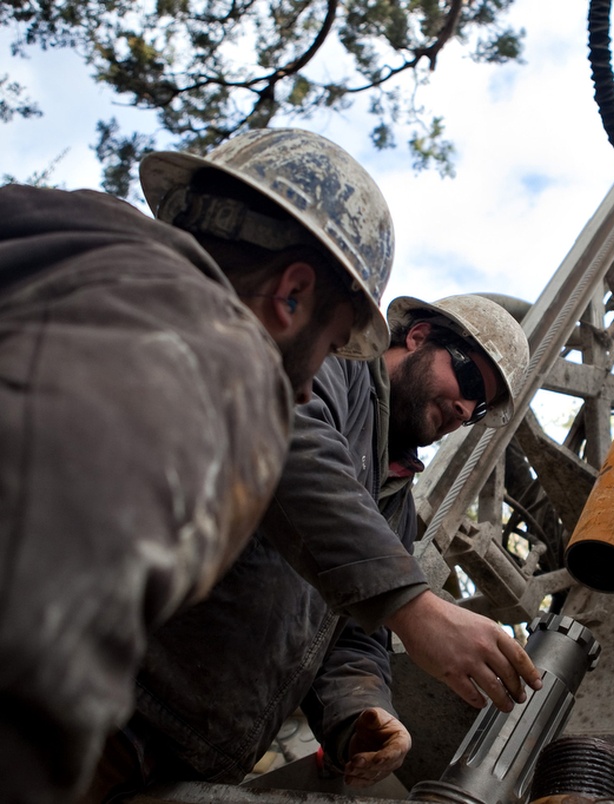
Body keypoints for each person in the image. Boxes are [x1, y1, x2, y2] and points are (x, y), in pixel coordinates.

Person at [0, 127, 397, 804]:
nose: (305, 392)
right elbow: (36, 611)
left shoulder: (52, 247)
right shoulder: (219, 350)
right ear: (292, 294)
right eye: (329, 348)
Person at [88, 294, 539, 797]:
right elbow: (292, 446)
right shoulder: (333, 364)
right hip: (108, 694)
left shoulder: (396, 506)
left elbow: (352, 632)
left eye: (477, 408)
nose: (463, 408)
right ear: (418, 337)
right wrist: (414, 606)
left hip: (195, 757)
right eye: (470, 381)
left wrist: (362, 712)